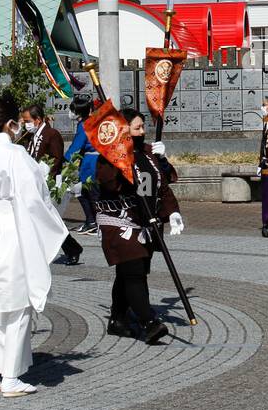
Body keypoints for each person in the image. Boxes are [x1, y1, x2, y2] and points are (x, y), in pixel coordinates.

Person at [0, 95, 68, 397]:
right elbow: (33, 198)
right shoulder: (15, 155)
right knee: (17, 303)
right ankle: (9, 376)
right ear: (10, 124)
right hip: (8, 229)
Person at [96, 109, 184, 344]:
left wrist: (172, 210)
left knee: (130, 272)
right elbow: (108, 182)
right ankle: (149, 322)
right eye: (137, 128)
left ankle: (117, 318)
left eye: (143, 127)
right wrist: (118, 157)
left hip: (145, 219)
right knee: (134, 271)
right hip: (120, 219)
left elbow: (162, 184)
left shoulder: (146, 152)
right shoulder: (110, 154)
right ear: (125, 131)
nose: (143, 132)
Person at [20, 103, 82, 265]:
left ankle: (72, 248)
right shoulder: (31, 135)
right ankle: (69, 248)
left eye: (27, 120)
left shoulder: (51, 134)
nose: (25, 124)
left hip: (48, 183)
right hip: (33, 183)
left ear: (38, 120)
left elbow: (56, 158)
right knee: (47, 220)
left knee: (50, 220)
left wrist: (48, 179)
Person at [63, 94, 99, 234]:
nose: (70, 112)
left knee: (87, 191)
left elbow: (77, 146)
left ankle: (94, 222)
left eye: (73, 110)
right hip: (90, 160)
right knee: (84, 190)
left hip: (90, 163)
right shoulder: (90, 122)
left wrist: (65, 160)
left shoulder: (84, 125)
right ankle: (91, 221)